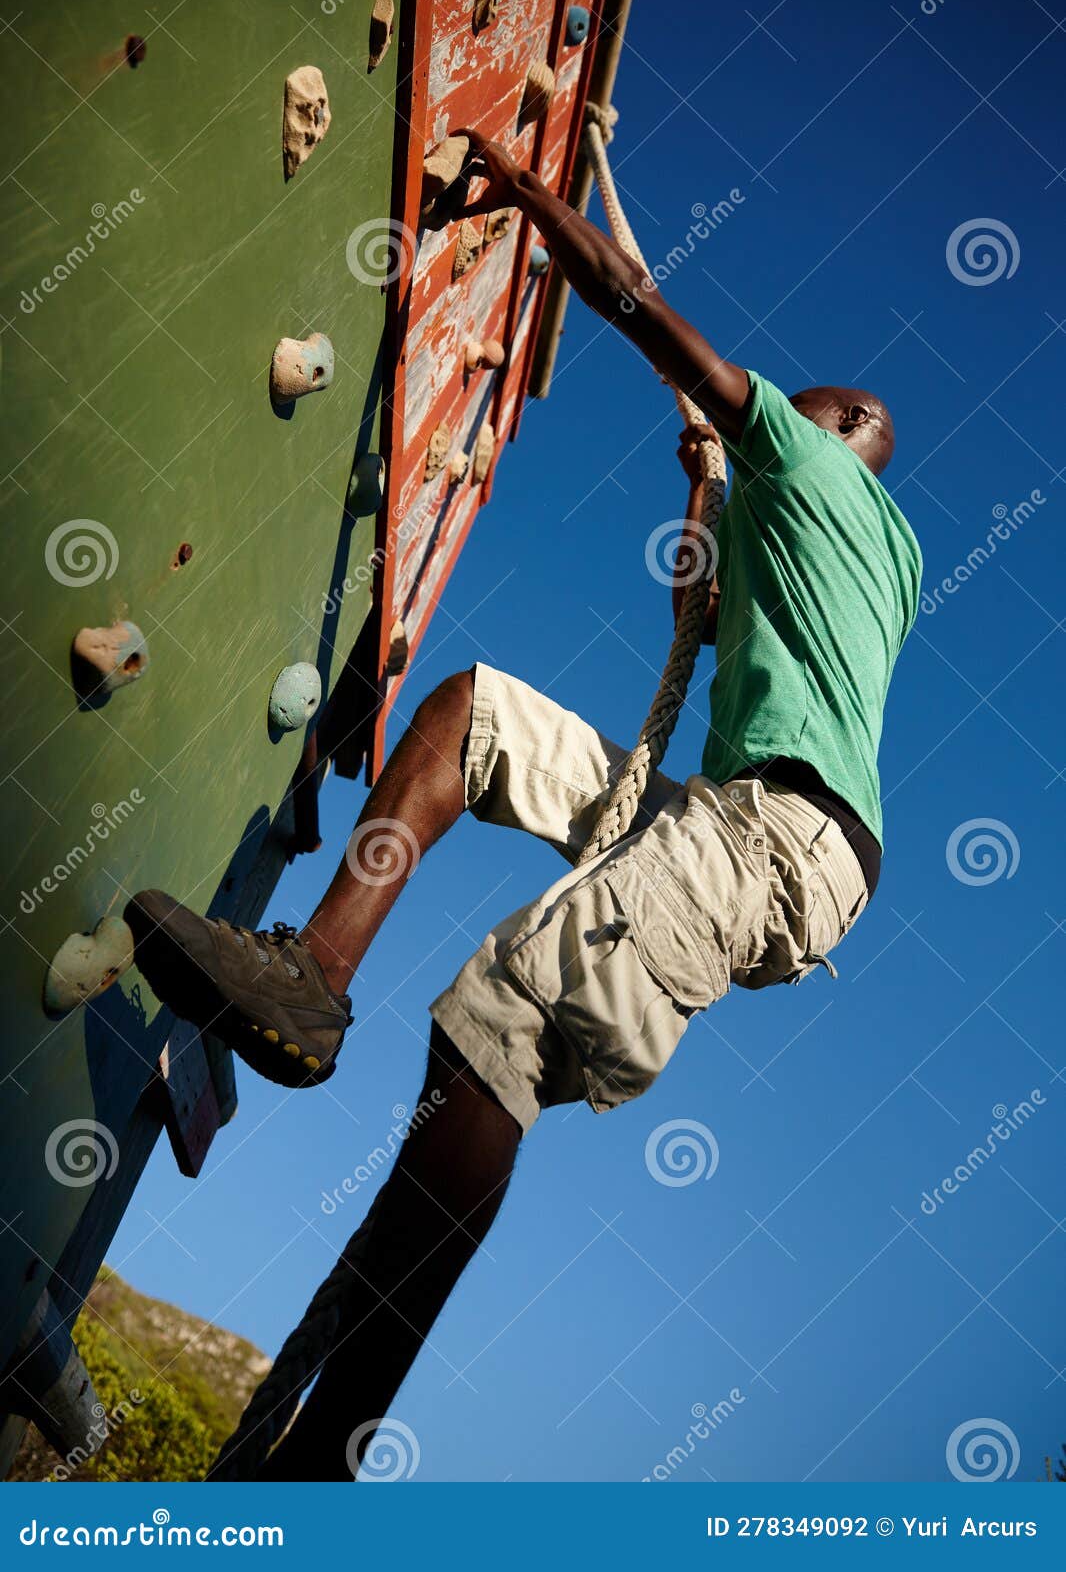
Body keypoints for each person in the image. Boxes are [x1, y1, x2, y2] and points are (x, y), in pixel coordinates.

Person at [125, 130, 921, 1478]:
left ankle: (329, 1447)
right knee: (472, 716)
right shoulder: (830, 543)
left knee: (504, 1014)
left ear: (844, 436)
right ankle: (310, 976)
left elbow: (639, 307)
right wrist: (702, 487)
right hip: (733, 813)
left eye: (809, 403)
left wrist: (527, 189)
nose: (789, 402)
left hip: (772, 840)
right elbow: (702, 615)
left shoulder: (829, 471)